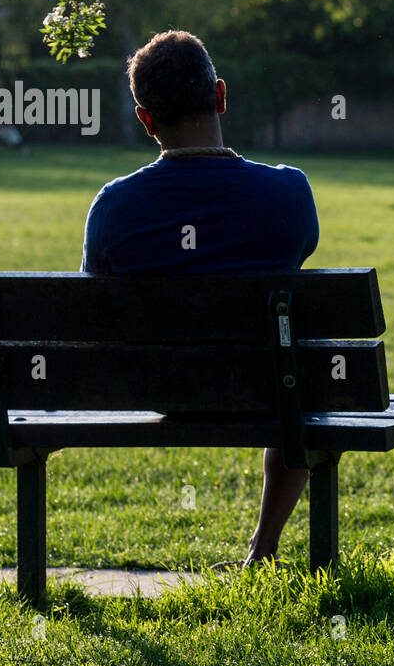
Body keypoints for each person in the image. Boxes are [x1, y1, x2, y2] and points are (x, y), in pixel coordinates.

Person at [80, 29, 321, 568]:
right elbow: (298, 251)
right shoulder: (289, 192)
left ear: (146, 120)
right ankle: (263, 551)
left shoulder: (114, 207)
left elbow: (91, 301)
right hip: (265, 386)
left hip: (159, 387)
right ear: (220, 95)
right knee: (296, 378)